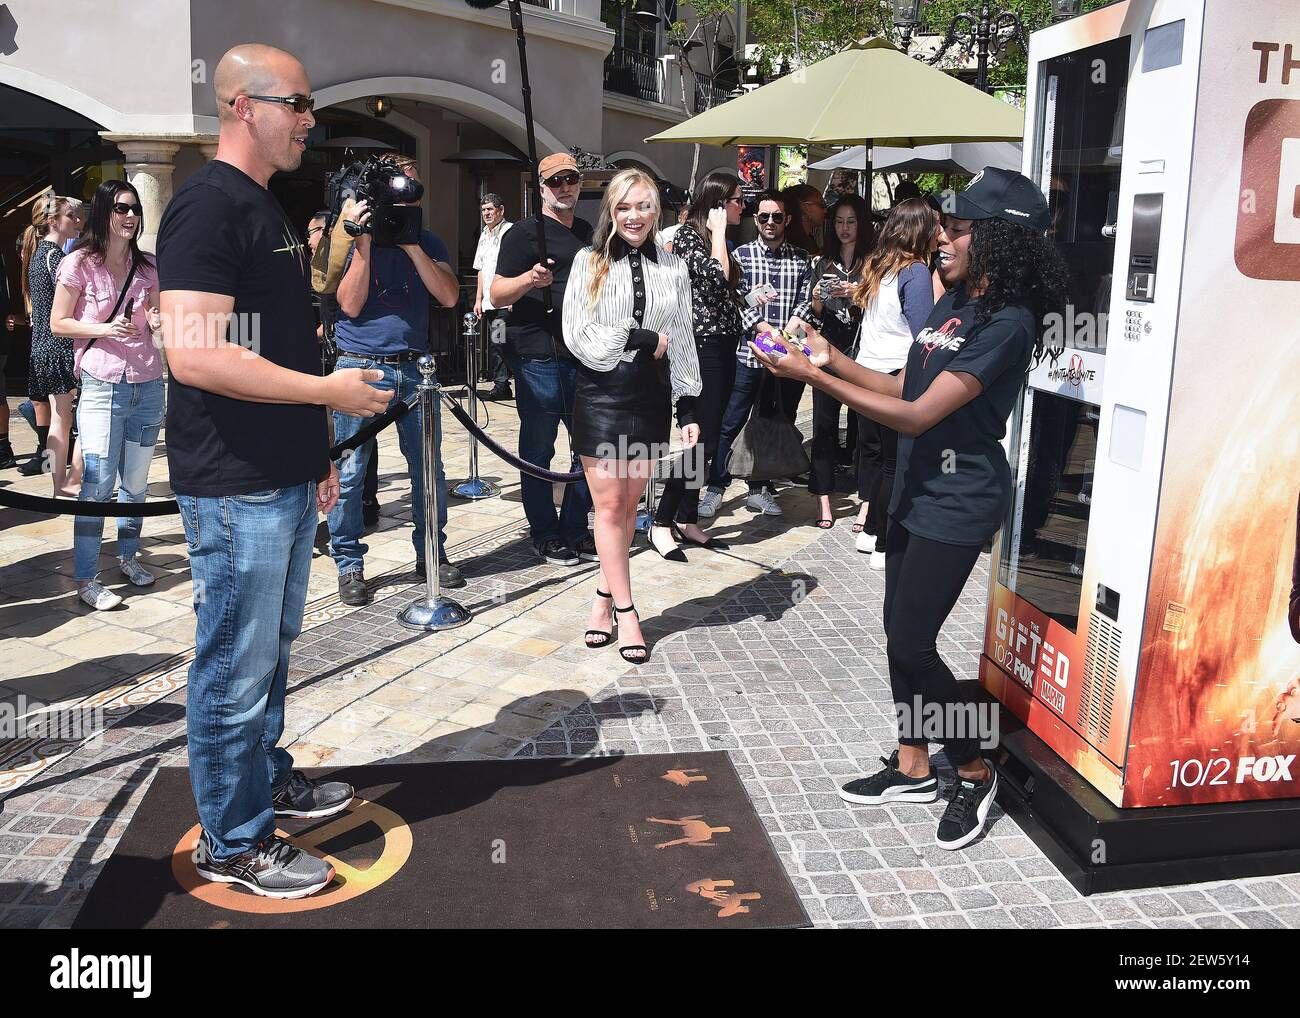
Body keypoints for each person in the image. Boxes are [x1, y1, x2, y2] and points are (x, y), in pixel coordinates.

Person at [752, 168, 1070, 851]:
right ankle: (914, 764)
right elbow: (902, 381)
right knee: (900, 634)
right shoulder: (953, 305)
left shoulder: (1008, 326)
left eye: (957, 229)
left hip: (957, 500)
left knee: (913, 642)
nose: (943, 239)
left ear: (997, 241)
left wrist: (811, 378)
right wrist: (829, 356)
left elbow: (919, 415)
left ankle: (978, 768)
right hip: (913, 490)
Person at [158, 43, 395, 898]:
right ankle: (234, 840)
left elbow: (279, 342)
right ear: (240, 107)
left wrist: (315, 453)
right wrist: (327, 392)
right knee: (234, 662)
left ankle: (264, 778)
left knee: (272, 651)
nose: (308, 119)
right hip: (234, 482)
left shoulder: (266, 206)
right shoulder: (206, 208)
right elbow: (193, 356)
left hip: (283, 472)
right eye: (295, 103)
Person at [563, 168, 701, 663]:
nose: (635, 216)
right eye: (624, 207)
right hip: (600, 394)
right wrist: (641, 338)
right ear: (611, 212)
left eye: (643, 206)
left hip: (650, 398)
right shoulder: (588, 261)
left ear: (656, 210)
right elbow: (578, 332)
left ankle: (601, 601)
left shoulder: (674, 267)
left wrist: (688, 404)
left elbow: (682, 337)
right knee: (607, 506)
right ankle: (627, 612)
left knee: (627, 508)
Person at [329, 151, 464, 606]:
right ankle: (349, 565)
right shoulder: (350, 237)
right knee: (349, 474)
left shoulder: (426, 240)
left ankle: (432, 554)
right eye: (397, 186)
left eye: (413, 185)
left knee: (428, 468)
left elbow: (448, 296)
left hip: (416, 369)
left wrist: (410, 243)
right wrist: (365, 243)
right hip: (360, 365)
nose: (406, 195)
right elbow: (348, 304)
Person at [49, 181, 165, 610]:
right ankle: (86, 578)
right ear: (103, 212)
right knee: (96, 484)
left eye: (134, 209)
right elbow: (58, 323)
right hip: (101, 387)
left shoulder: (149, 266)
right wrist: (103, 328)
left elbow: (159, 324)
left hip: (148, 385)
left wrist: (157, 323)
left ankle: (129, 557)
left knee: (135, 484)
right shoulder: (79, 263)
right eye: (120, 208)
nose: (130, 216)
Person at [491, 151, 596, 566]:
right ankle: (545, 532)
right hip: (538, 354)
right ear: (541, 189)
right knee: (538, 448)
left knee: (589, 446)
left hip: (583, 352)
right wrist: (529, 280)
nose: (564, 187)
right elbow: (496, 293)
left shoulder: (588, 231)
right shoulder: (522, 233)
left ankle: (574, 526)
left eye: (570, 179)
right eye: (555, 182)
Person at [702, 190, 815, 520]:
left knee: (770, 422)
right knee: (732, 421)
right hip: (750, 353)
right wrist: (765, 329)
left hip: (786, 357)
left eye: (776, 217)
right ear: (756, 219)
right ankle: (715, 487)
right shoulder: (742, 255)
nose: (770, 222)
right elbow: (735, 300)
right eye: (764, 216)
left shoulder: (800, 257)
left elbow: (806, 303)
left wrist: (790, 331)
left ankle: (759, 488)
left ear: (787, 220)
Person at [648, 172, 744, 558]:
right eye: (737, 200)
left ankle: (687, 518)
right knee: (697, 439)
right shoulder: (690, 236)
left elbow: (728, 291)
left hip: (724, 344)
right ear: (720, 203)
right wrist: (719, 233)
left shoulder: (712, 239)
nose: (743, 207)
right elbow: (717, 277)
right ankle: (661, 521)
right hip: (701, 347)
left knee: (712, 439)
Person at [850, 198, 940, 565]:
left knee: (876, 459)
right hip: (893, 376)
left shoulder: (878, 264)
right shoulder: (915, 271)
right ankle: (883, 544)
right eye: (935, 225)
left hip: (866, 372)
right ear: (920, 229)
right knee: (894, 464)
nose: (940, 233)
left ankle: (871, 531)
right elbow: (924, 333)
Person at [807, 194, 871, 529]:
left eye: (851, 221)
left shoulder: (873, 262)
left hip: (863, 355)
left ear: (861, 223)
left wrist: (856, 293)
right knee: (824, 426)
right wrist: (818, 298)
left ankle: (865, 502)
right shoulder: (822, 262)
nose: (845, 228)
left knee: (863, 429)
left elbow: (880, 311)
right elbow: (813, 316)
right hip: (827, 353)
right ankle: (824, 501)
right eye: (839, 222)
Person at [19, 194, 83, 491]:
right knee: (71, 420)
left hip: (43, 347)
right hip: (59, 348)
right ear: (52, 220)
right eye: (71, 216)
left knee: (62, 419)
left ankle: (63, 485)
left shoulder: (39, 254)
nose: (78, 221)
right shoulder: (54, 257)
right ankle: (68, 483)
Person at [472, 192, 513, 400]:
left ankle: (502, 385)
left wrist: (513, 298)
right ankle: (502, 383)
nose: (486, 213)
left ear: (501, 210)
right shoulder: (484, 234)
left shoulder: (509, 231)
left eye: (490, 209)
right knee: (496, 342)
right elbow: (480, 269)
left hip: (505, 300)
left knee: (501, 341)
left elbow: (516, 266)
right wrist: (478, 299)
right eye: (483, 210)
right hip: (489, 301)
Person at [780, 182, 827, 256]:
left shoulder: (807, 237)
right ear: (805, 208)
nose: (825, 210)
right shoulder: (795, 244)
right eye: (821, 204)